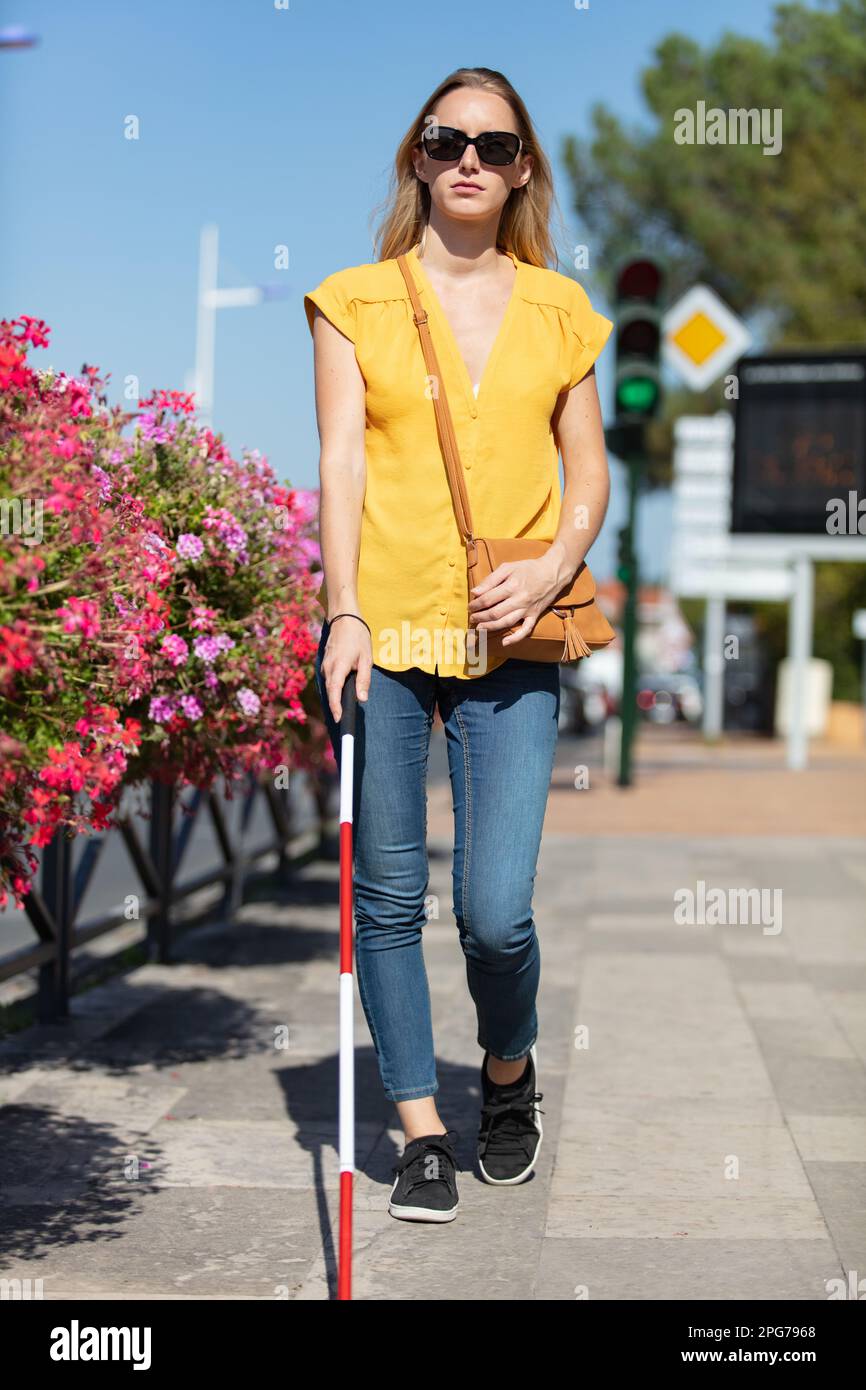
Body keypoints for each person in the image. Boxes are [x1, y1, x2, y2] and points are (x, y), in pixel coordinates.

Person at [304, 66, 612, 1223]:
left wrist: (549, 563)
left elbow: (587, 471)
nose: (468, 158)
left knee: (493, 909)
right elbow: (339, 460)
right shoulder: (351, 302)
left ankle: (504, 1070)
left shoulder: (561, 311)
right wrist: (340, 607)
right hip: (382, 630)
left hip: (511, 636)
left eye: (493, 142)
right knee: (384, 898)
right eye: (445, 140)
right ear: (417, 159)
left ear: (522, 166)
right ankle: (418, 1129)